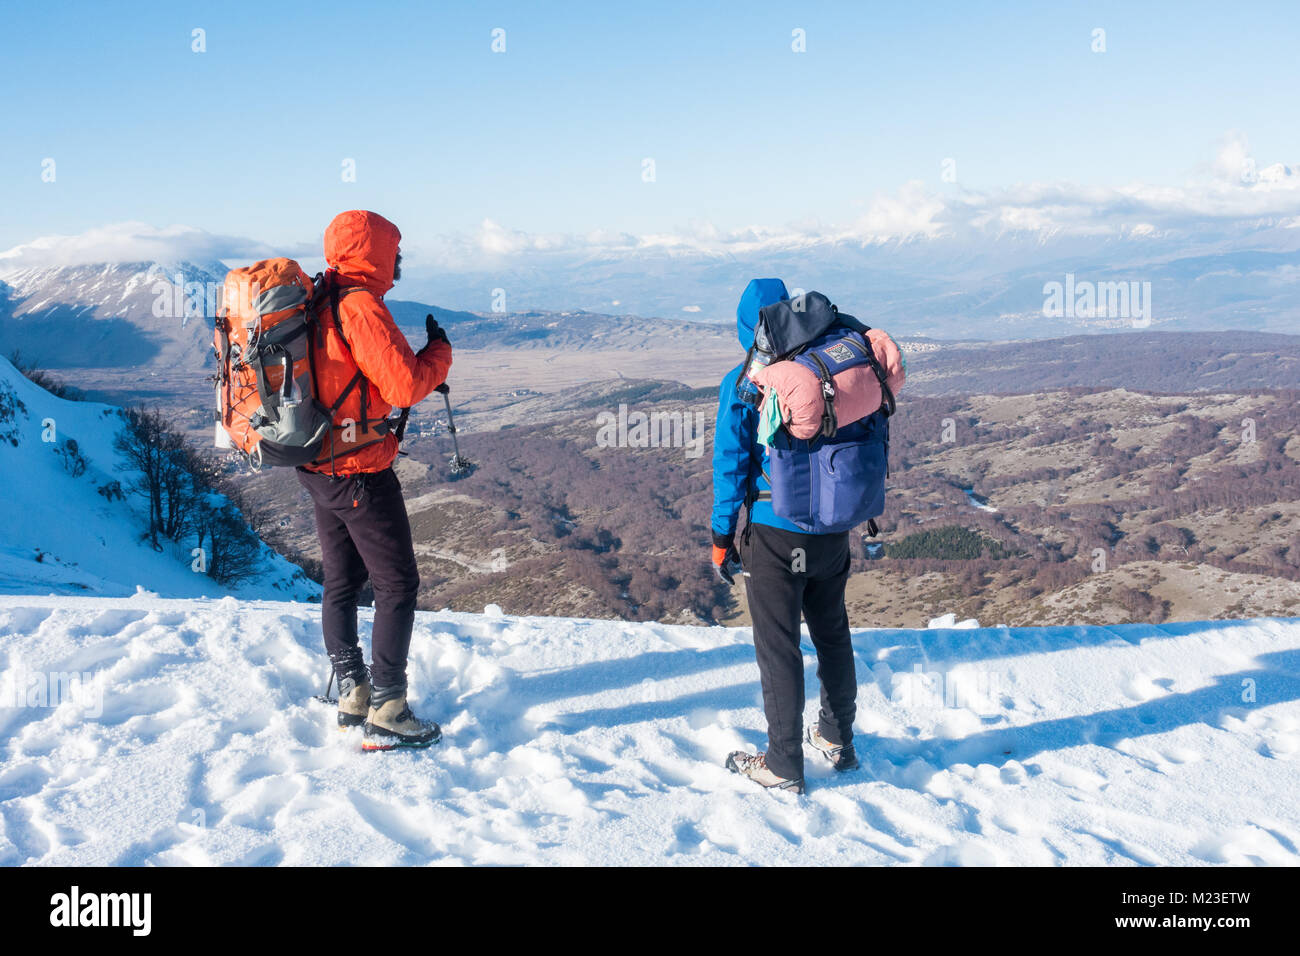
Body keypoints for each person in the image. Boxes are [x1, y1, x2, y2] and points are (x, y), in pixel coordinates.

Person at [298, 209, 452, 752]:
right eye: (395, 249)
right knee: (396, 584)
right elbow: (405, 385)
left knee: (341, 581)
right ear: (377, 252)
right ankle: (388, 707)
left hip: (316, 463)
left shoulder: (316, 299)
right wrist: (440, 352)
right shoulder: (360, 305)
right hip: (359, 467)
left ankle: (351, 693)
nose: (400, 259)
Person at [710, 278, 860, 793]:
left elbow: (730, 467)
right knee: (832, 634)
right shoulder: (827, 368)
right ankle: (838, 739)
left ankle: (783, 764)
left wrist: (720, 537)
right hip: (834, 530)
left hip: (776, 536)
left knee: (779, 647)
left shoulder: (746, 382)